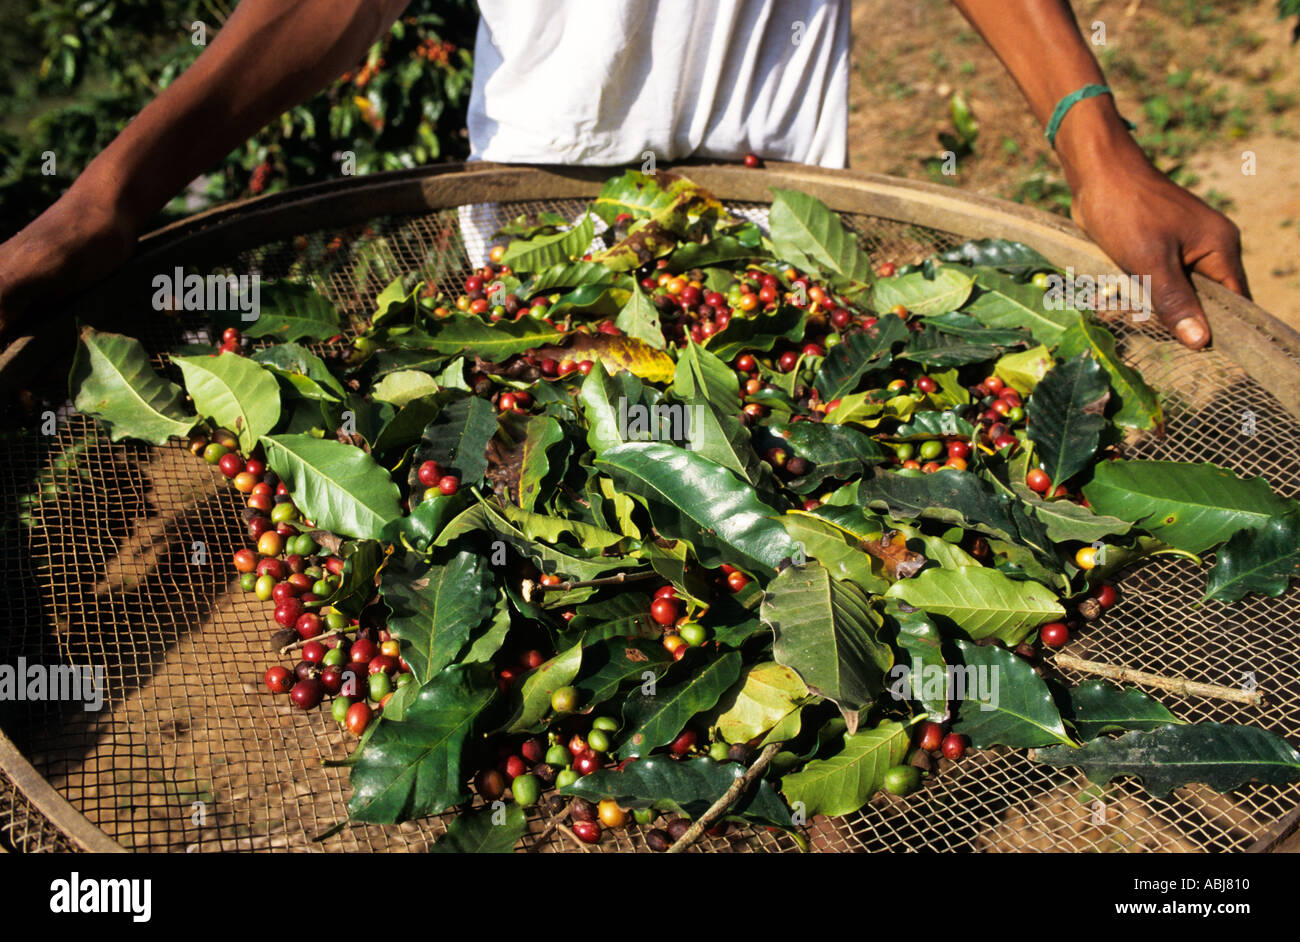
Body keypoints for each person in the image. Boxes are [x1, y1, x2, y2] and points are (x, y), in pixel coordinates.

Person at [0, 0, 1249, 349]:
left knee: (785, 644)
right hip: (538, 250)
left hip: (773, 242)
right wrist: (104, 198)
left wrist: (1098, 143)